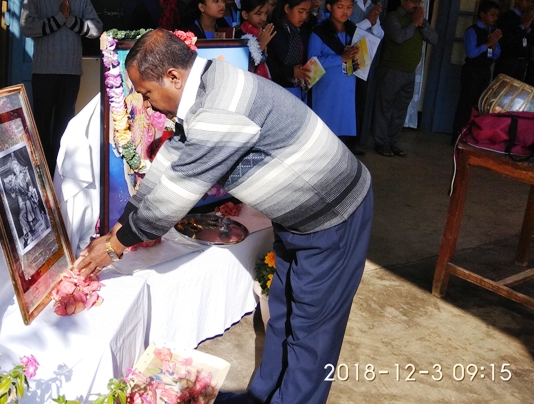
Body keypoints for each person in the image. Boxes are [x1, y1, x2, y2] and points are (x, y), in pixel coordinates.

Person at [75, 29, 374, 404]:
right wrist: (120, 226)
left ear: (173, 76)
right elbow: (166, 168)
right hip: (299, 214)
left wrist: (116, 247)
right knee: (283, 313)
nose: (148, 106)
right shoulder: (204, 86)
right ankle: (262, 396)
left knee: (312, 330)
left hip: (333, 214)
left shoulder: (218, 109)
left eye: (148, 94)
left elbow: (172, 198)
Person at [20, 0, 103, 173]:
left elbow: (96, 29)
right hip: (44, 72)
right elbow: (27, 27)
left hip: (70, 72)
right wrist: (59, 19)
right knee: (41, 121)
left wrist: (72, 20)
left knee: (66, 122)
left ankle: (60, 170)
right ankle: (41, 170)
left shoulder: (81, 0)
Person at [373, 0, 438, 157]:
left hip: (409, 72)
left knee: (400, 109)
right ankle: (381, 143)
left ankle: (394, 142)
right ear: (403, 1)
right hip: (391, 70)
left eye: (419, 2)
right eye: (413, 1)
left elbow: (434, 39)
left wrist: (421, 24)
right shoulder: (392, 17)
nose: (417, 5)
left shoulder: (419, 20)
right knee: (384, 108)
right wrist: (414, 24)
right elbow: (398, 37)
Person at [308, 0, 360, 142]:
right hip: (326, 89)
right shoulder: (319, 32)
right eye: (340, 7)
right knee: (324, 132)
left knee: (342, 132)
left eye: (349, 7)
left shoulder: (352, 30)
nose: (345, 12)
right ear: (329, 7)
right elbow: (311, 66)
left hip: (347, 88)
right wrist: (340, 58)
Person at [451, 0, 502, 143]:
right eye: (492, 14)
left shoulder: (492, 33)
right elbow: (472, 53)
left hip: (485, 71)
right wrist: (488, 44)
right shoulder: (472, 31)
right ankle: (458, 135)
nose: (495, 18)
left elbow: (497, 54)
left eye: (496, 15)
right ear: (482, 14)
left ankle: (472, 136)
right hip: (472, 70)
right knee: (466, 103)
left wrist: (492, 45)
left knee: (479, 104)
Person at [350, 0, 384, 154]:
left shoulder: (371, 6)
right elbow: (347, 32)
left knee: (360, 100)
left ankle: (354, 142)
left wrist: (374, 20)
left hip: (365, 60)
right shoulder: (348, 3)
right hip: (347, 57)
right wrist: (367, 21)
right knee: (347, 99)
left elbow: (379, 34)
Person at [266, 0, 312, 100]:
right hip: (276, 88)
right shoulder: (273, 31)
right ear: (287, 8)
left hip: (299, 89)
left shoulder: (304, 31)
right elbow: (268, 63)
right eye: (300, 11)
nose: (304, 16)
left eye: (307, 12)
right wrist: (291, 71)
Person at [495, 0, 534, 82]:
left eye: (531, 1)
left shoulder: (528, 18)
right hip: (507, 62)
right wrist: (522, 27)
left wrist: (528, 28)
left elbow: (531, 41)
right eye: (527, 0)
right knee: (503, 93)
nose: (529, 4)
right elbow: (505, 39)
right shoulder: (506, 17)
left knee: (517, 94)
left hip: (522, 62)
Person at [236, 0, 276, 79]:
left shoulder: (263, 32)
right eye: (258, 14)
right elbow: (244, 65)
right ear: (245, 14)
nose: (263, 18)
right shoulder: (240, 35)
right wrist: (261, 45)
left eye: (266, 13)